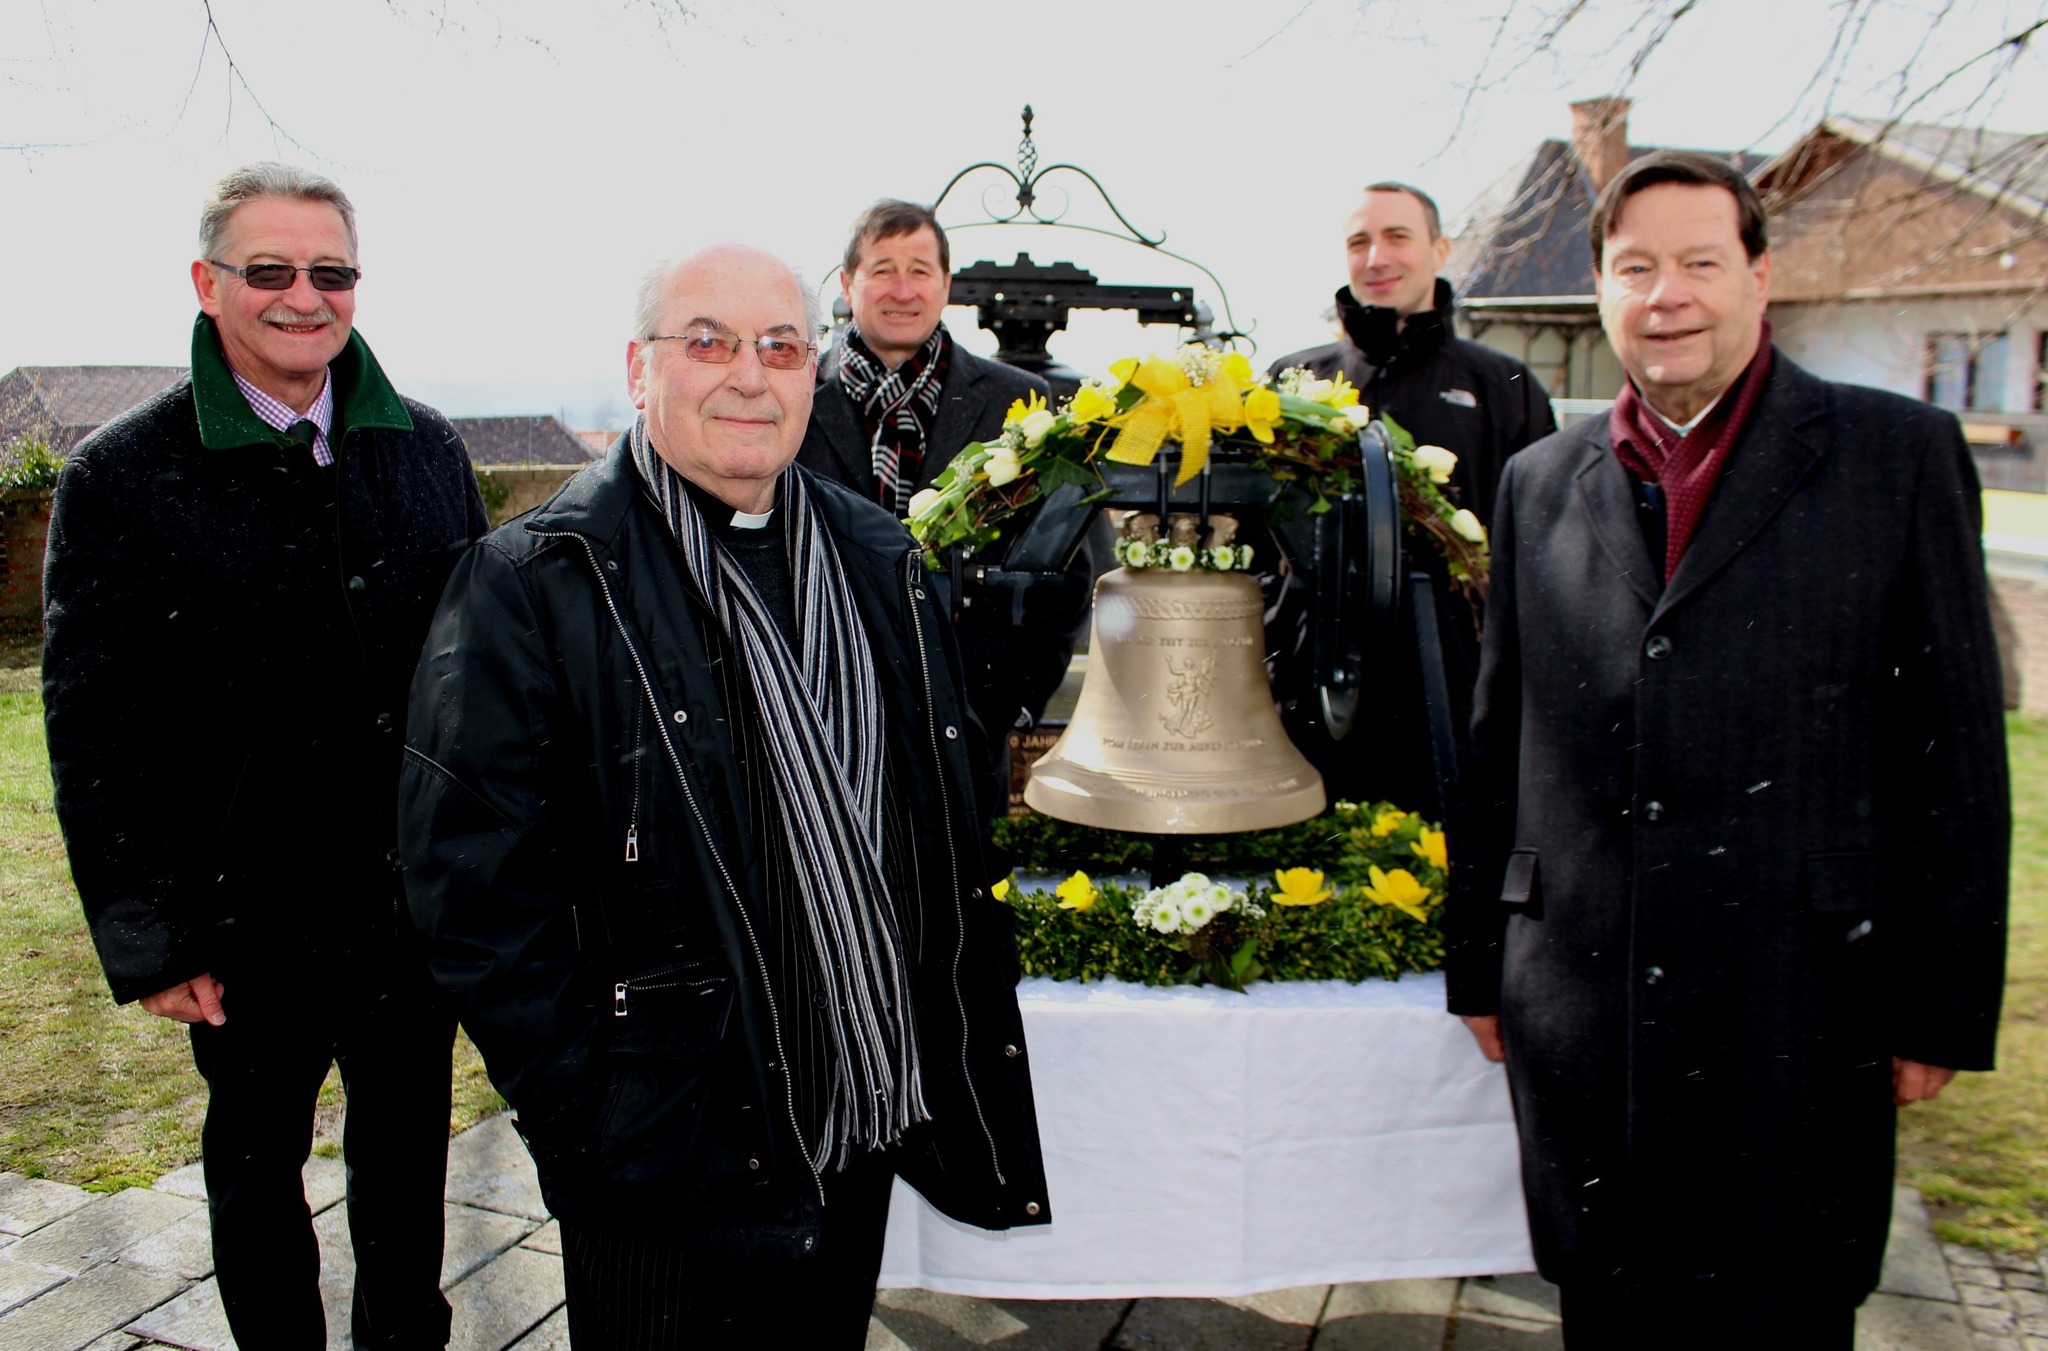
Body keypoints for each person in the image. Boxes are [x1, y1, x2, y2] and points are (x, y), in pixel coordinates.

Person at [400, 243, 1050, 1348]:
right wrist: (588, 1115)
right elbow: (472, 889)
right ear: (639, 369)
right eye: (706, 342)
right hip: (664, 1141)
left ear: (813, 372)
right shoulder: (538, 581)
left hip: (856, 1115)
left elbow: (932, 820)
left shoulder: (880, 558)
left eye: (782, 346)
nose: (749, 374)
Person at [1445, 150, 2009, 1349]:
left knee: (1783, 1313)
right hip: (1584, 1006)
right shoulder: (1538, 482)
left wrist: (1941, 1006)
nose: (1668, 295)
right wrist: (1477, 962)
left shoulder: (1894, 457)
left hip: (1798, 1004)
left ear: (1759, 274)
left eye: (1700, 261)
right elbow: (1499, 740)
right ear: (1599, 288)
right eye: (1636, 268)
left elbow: (1952, 752)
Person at [42, 162, 487, 1348]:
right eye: (271, 270)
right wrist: (148, 937)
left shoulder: (429, 453)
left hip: (407, 913)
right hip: (241, 922)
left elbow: (480, 683)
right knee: (254, 1174)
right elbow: (94, 727)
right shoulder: (120, 478)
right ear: (208, 282)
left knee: (406, 1170)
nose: (305, 296)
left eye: (330, 271)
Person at [1266, 183, 1557, 816]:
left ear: (1440, 249)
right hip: (1308, 692)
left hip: (1453, 692)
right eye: (1359, 242)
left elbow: (1544, 553)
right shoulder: (1291, 386)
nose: (1377, 258)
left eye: (1397, 237)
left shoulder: (1503, 387)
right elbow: (1254, 544)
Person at [799, 199, 1083, 784]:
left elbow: (1068, 571)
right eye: (882, 270)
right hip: (815, 726)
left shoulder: (1017, 403)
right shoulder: (794, 401)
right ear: (849, 284)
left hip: (967, 729)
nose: (902, 290)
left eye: (921, 271)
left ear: (946, 285)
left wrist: (1004, 705)